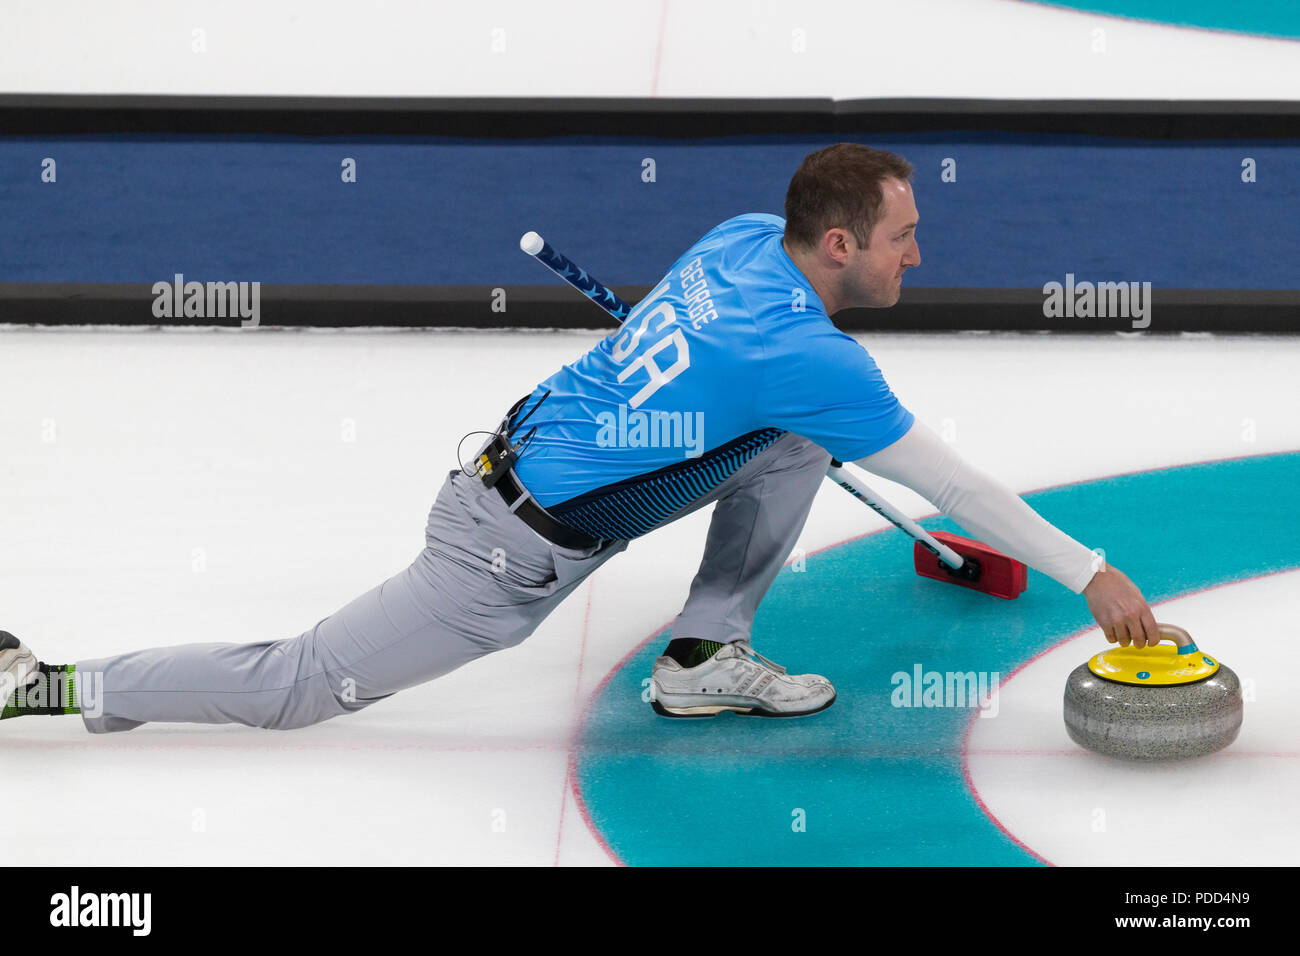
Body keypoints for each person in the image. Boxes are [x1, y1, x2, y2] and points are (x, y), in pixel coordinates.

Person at [0, 143, 1159, 730]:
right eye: (905, 234)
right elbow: (953, 482)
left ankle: (703, 655)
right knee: (298, 683)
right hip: (499, 554)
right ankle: (46, 684)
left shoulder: (750, 235)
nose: (920, 252)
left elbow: (703, 357)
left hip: (541, 460)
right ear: (840, 243)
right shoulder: (811, 359)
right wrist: (1088, 571)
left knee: (797, 438)